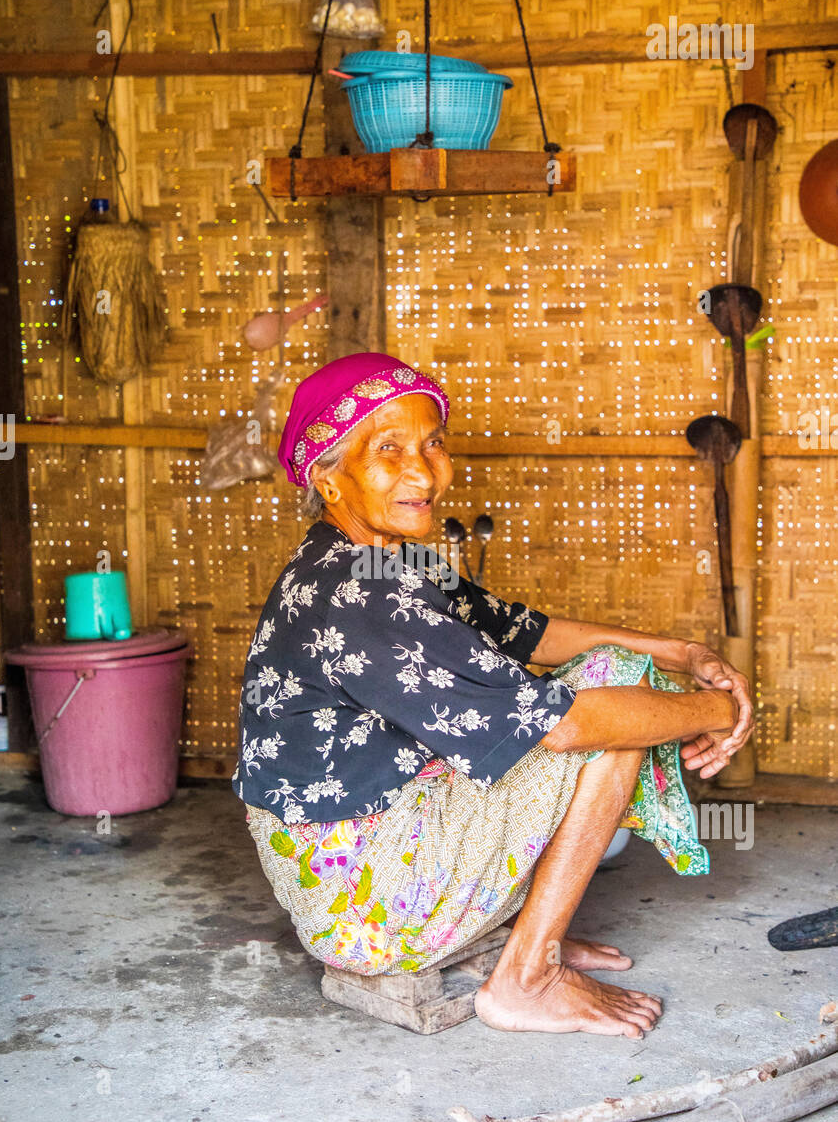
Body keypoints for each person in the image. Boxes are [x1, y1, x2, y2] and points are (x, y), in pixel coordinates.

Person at [233, 352, 754, 1038]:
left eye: (433, 443)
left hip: (352, 861)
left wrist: (678, 652)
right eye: (388, 451)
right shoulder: (362, 591)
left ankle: (517, 934)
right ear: (329, 477)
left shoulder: (371, 554)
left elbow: (519, 630)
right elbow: (565, 727)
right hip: (365, 901)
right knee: (608, 716)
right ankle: (525, 977)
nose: (424, 472)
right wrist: (721, 710)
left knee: (617, 677)